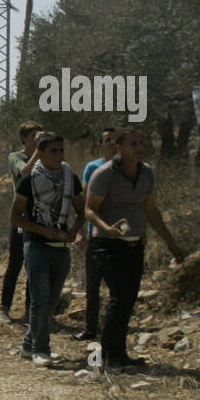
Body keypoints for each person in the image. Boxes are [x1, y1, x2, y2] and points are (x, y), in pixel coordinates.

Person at [85, 129, 187, 371]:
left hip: (135, 244)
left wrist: (170, 242)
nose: (140, 147)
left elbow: (150, 210)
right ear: (119, 148)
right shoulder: (104, 174)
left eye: (141, 142)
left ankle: (119, 354)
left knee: (128, 298)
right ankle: (108, 357)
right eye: (133, 143)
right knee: (119, 297)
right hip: (108, 244)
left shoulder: (146, 173)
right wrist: (107, 229)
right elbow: (90, 210)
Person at [10, 132, 85, 367]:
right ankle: (41, 350)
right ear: (40, 153)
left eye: (61, 151)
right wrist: (44, 231)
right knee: (39, 300)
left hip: (61, 247)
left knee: (51, 302)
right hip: (36, 245)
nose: (58, 155)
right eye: (53, 151)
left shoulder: (69, 177)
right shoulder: (29, 180)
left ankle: (27, 342)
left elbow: (83, 210)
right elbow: (15, 217)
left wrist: (74, 230)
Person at [73, 126, 117, 343]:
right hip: (94, 235)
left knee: (117, 287)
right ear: (99, 144)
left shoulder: (126, 167)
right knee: (93, 284)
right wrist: (80, 232)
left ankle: (113, 331)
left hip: (119, 237)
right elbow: (83, 203)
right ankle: (91, 329)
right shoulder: (92, 168)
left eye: (114, 140)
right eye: (107, 139)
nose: (111, 143)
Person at [0, 121, 42, 322]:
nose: (38, 139)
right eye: (34, 136)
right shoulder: (16, 156)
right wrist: (39, 152)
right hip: (21, 216)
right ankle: (4, 308)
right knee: (15, 263)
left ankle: (30, 310)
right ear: (24, 138)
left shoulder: (46, 156)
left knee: (35, 267)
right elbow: (24, 171)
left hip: (40, 216)